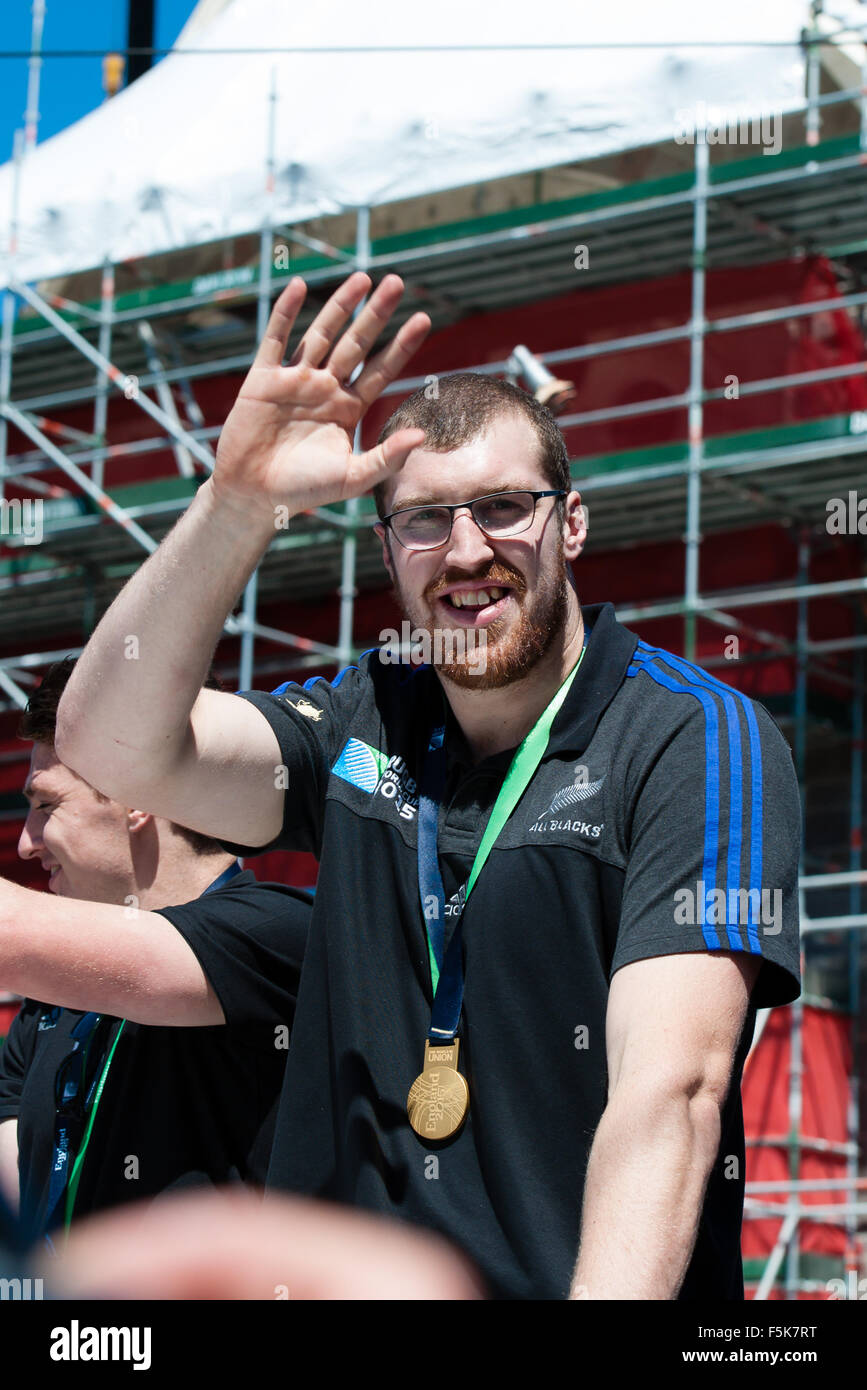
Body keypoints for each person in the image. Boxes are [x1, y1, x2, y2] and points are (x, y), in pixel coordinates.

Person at [55, 271, 802, 1299]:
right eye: (424, 520)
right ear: (387, 551)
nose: (465, 551)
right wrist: (235, 505)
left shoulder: (693, 735)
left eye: (504, 508)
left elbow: (668, 1093)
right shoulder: (367, 714)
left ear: (571, 524)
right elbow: (113, 744)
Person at [0, 659, 310, 1245]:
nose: (24, 843)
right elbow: (20, 1191)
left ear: (136, 794)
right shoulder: (49, 1008)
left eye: (46, 807)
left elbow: (133, 961)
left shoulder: (273, 934)